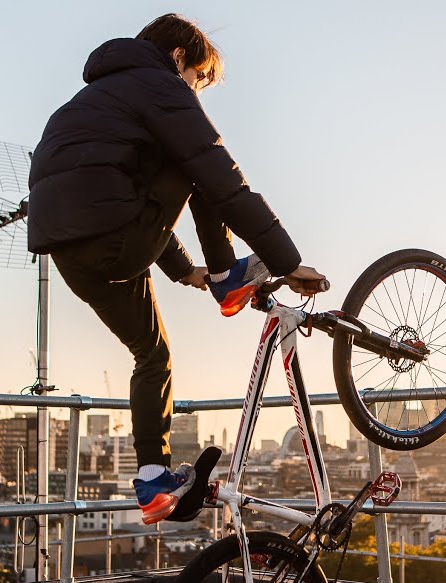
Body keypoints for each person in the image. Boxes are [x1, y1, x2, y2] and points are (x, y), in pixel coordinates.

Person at [27, 14, 326, 524]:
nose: (196, 92)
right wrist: (286, 261)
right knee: (199, 161)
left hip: (71, 253)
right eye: (198, 79)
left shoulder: (91, 101)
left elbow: (117, 190)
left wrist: (185, 269)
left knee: (152, 354)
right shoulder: (161, 86)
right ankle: (230, 278)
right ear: (180, 57)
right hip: (116, 234)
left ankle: (152, 478)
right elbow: (219, 177)